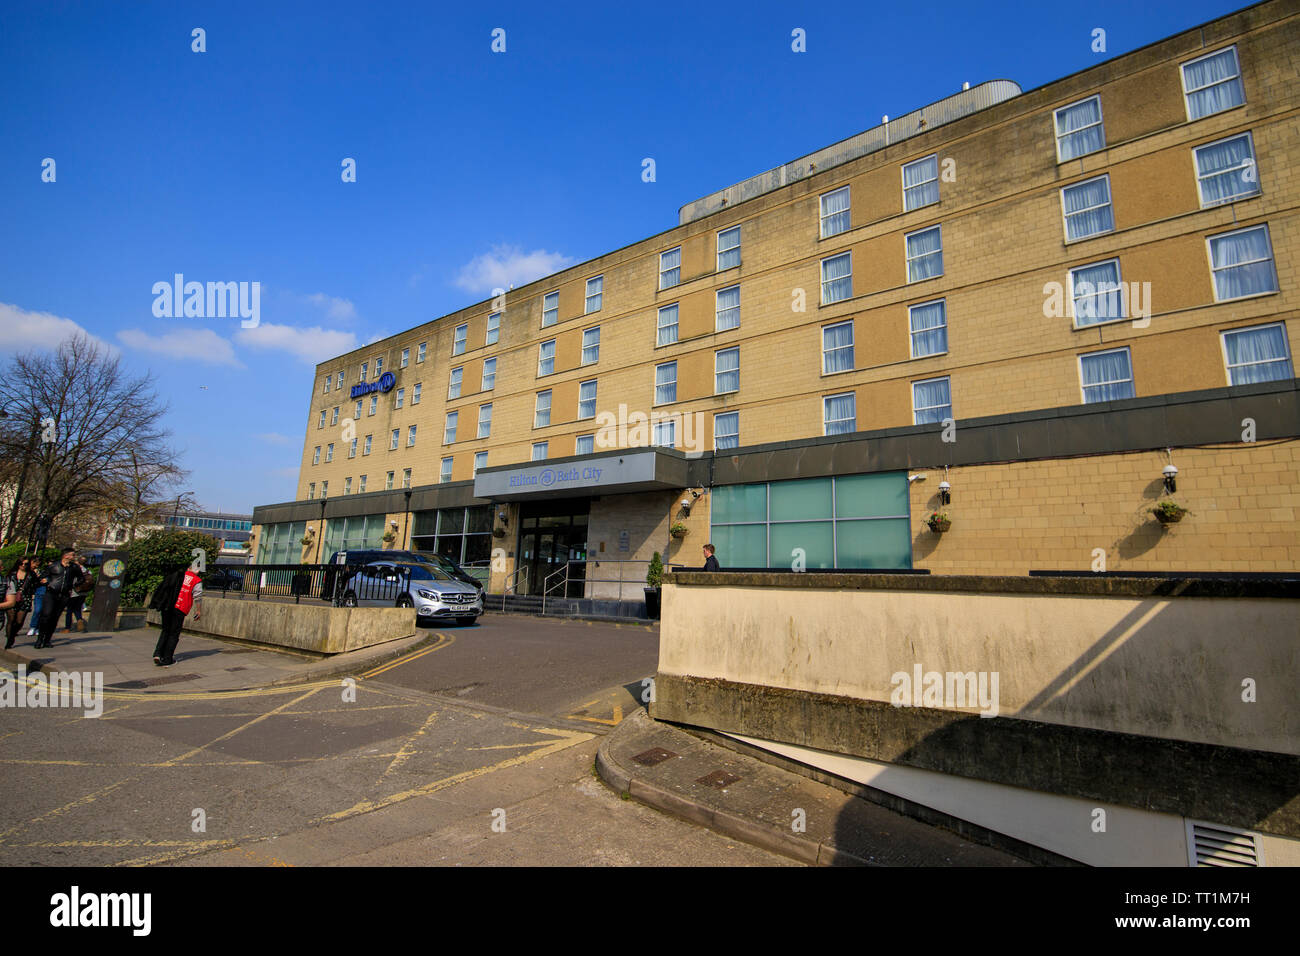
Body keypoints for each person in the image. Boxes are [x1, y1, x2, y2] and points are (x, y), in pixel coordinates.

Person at [150, 563, 203, 667]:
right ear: (198, 571)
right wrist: (198, 611)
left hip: (167, 606)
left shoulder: (176, 575)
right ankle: (167, 659)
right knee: (174, 633)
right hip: (180, 608)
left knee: (165, 630)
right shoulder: (196, 580)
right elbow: (198, 596)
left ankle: (158, 653)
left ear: (188, 568)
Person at [34, 548, 87, 649]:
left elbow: (81, 578)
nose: (74, 556)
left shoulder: (74, 567)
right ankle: (40, 639)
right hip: (51, 593)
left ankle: (47, 640)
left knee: (55, 618)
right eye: (72, 554)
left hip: (64, 595)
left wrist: (75, 585)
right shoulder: (54, 566)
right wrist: (46, 581)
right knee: (46, 616)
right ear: (66, 555)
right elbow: (42, 577)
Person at [4, 558, 39, 649]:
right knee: (11, 620)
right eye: (21, 564)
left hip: (25, 599)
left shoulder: (31, 574)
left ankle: (12, 634)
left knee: (19, 621)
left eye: (26, 564)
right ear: (18, 564)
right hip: (12, 597)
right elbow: (5, 585)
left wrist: (40, 582)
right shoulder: (11, 574)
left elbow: (36, 585)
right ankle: (9, 640)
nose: (23, 565)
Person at [62, 556, 90, 632]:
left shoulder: (75, 569)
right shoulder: (87, 571)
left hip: (74, 592)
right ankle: (79, 620)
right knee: (77, 608)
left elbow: (71, 581)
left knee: (69, 610)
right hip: (84, 593)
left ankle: (67, 628)